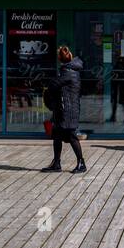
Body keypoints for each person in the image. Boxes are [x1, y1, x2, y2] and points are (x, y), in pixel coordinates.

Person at [41, 45, 86, 174]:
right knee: (56, 135)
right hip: (63, 109)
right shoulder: (69, 70)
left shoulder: (68, 72)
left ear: (60, 59)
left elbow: (53, 85)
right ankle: (56, 163)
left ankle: (81, 163)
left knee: (71, 136)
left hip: (68, 110)